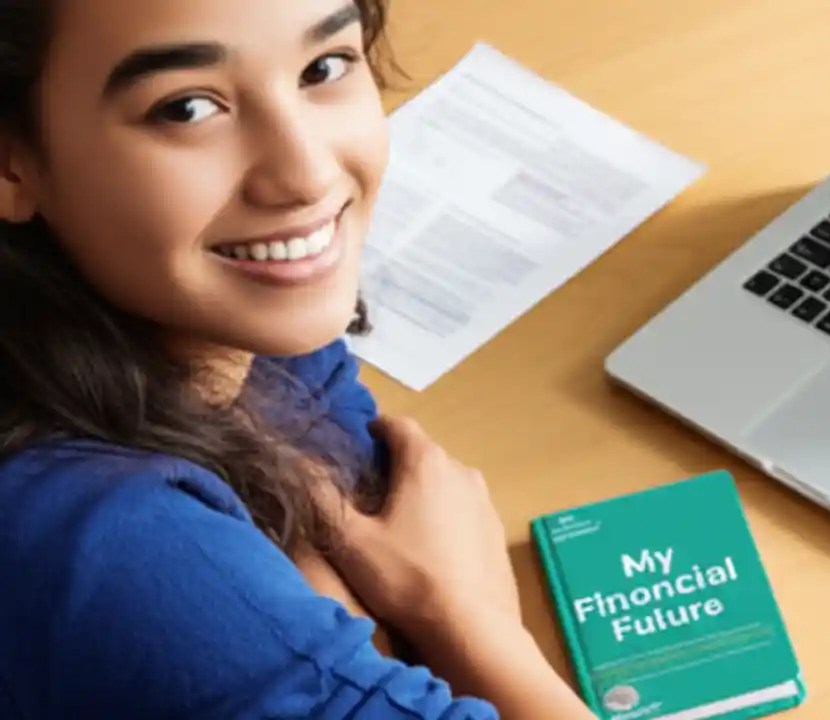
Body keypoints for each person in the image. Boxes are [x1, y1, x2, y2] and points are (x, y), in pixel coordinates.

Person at [0, 0, 596, 717]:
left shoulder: (218, 315)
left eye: (324, 67)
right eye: (187, 108)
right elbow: (374, 618)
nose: (305, 175)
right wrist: (468, 619)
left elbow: (350, 526)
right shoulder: (113, 545)